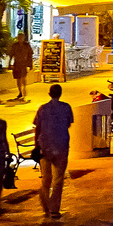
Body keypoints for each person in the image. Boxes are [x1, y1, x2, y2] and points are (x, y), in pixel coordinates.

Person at [32, 83, 74, 218]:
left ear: (49, 94)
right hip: (61, 146)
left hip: (45, 147)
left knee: (46, 179)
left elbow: (37, 128)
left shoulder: (42, 109)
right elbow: (68, 124)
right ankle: (54, 208)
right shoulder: (66, 107)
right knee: (58, 178)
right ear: (60, 94)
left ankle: (45, 205)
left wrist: (36, 145)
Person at [8, 33, 34, 101]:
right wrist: (9, 64)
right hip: (16, 63)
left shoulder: (27, 45)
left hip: (23, 64)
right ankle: (20, 91)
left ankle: (24, 89)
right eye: (19, 37)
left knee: (23, 77)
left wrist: (30, 64)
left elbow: (30, 55)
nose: (20, 39)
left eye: (21, 37)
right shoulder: (15, 45)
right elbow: (11, 55)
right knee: (18, 78)